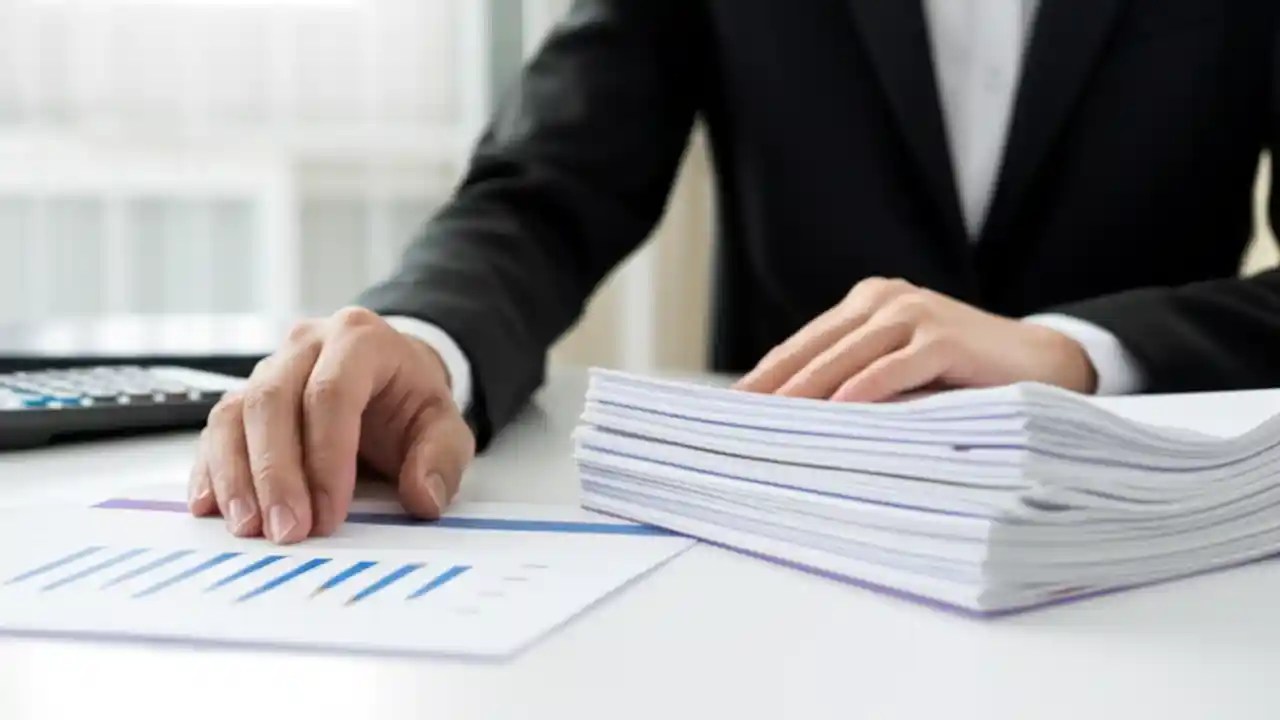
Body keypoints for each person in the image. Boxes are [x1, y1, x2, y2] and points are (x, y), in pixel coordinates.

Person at [189, 0, 1280, 544]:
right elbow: (547, 188)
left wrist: (1070, 351)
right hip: (780, 543)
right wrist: (425, 340)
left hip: (1154, 542)